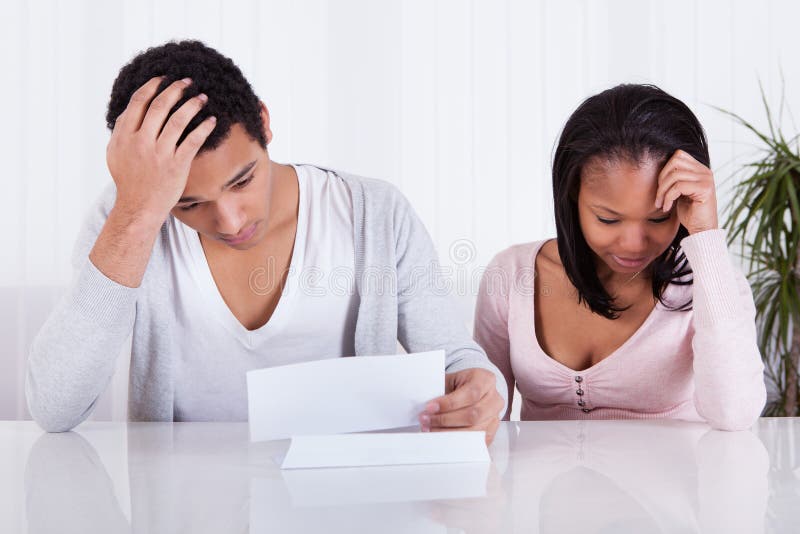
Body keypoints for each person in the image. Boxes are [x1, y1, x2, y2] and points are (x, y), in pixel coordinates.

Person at [26, 40, 505, 442]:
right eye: (189, 204)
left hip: (347, 507)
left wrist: (484, 390)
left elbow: (458, 360)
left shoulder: (374, 213)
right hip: (180, 513)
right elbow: (54, 407)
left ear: (264, 121)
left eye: (243, 180)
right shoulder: (128, 219)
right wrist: (136, 214)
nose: (231, 222)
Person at [474, 84, 766, 430]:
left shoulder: (713, 282)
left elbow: (735, 415)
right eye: (608, 219)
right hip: (538, 486)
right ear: (572, 197)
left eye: (658, 218)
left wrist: (705, 236)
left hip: (674, 485)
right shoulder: (511, 274)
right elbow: (485, 422)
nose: (633, 244)